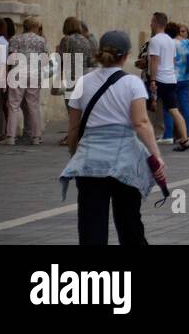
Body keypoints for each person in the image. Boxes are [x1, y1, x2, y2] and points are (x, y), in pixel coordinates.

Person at [60, 30, 165, 246]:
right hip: (124, 161)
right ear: (126, 56)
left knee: (91, 225)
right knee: (129, 223)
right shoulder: (132, 83)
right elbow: (141, 123)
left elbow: (73, 128)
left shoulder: (83, 82)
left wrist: (75, 154)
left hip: (90, 161)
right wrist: (157, 156)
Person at [1, 17, 48, 146]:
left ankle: (10, 136)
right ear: (36, 27)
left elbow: (11, 58)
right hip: (34, 73)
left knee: (13, 105)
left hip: (18, 73)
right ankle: (36, 137)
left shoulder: (15, 39)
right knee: (33, 105)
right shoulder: (41, 40)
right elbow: (44, 59)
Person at [146, 13, 189, 151]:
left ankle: (144, 139)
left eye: (152, 21)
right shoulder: (170, 40)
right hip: (171, 78)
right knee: (174, 110)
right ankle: (185, 139)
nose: (150, 24)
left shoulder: (155, 40)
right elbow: (172, 60)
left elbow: (154, 61)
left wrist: (152, 79)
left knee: (146, 108)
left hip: (159, 79)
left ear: (156, 22)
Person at [55, 18, 96, 146]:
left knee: (72, 109)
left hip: (71, 76)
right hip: (84, 76)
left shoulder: (66, 40)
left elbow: (60, 60)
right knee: (82, 108)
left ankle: (72, 137)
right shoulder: (86, 40)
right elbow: (90, 61)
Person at [163, 23, 189, 145]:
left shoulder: (171, 43)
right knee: (185, 106)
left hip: (172, 77)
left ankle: (168, 134)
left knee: (169, 106)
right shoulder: (188, 43)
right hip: (185, 77)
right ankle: (185, 133)